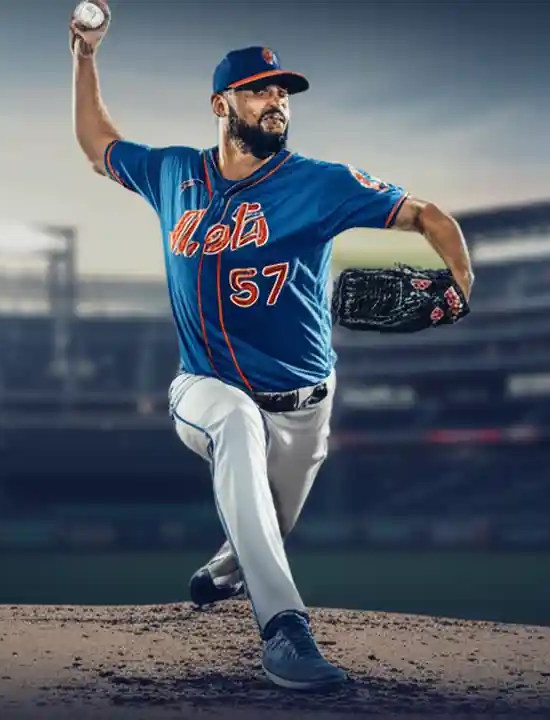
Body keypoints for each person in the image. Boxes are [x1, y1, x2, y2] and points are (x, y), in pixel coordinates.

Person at [70, 7, 474, 691]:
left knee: (265, 524)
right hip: (205, 387)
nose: (276, 100)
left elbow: (428, 216)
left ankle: (224, 572)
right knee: (233, 424)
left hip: (305, 406)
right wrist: (84, 56)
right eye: (260, 88)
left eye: (282, 91)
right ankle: (285, 630)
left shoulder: (321, 182)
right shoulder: (173, 173)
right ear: (221, 104)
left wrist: (461, 286)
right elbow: (96, 143)